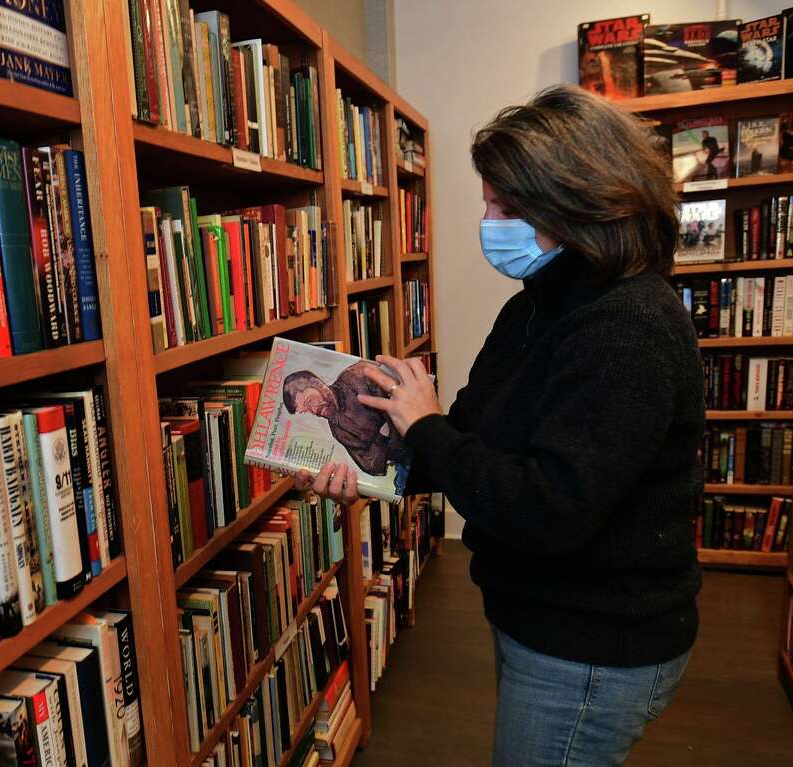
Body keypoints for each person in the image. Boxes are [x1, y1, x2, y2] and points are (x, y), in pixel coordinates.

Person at [296, 85, 704, 766]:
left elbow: (546, 505)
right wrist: (373, 466)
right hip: (540, 620)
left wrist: (426, 428)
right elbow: (470, 439)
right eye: (488, 201)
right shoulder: (537, 307)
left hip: (592, 643)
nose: (489, 222)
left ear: (582, 201)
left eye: (508, 207)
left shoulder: (628, 327)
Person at [282, 363, 410, 477]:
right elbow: (370, 465)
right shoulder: (337, 430)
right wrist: (382, 435)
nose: (313, 410)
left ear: (317, 384)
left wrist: (385, 434)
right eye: (306, 410)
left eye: (309, 401)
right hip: (407, 462)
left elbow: (400, 402)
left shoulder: (357, 375)